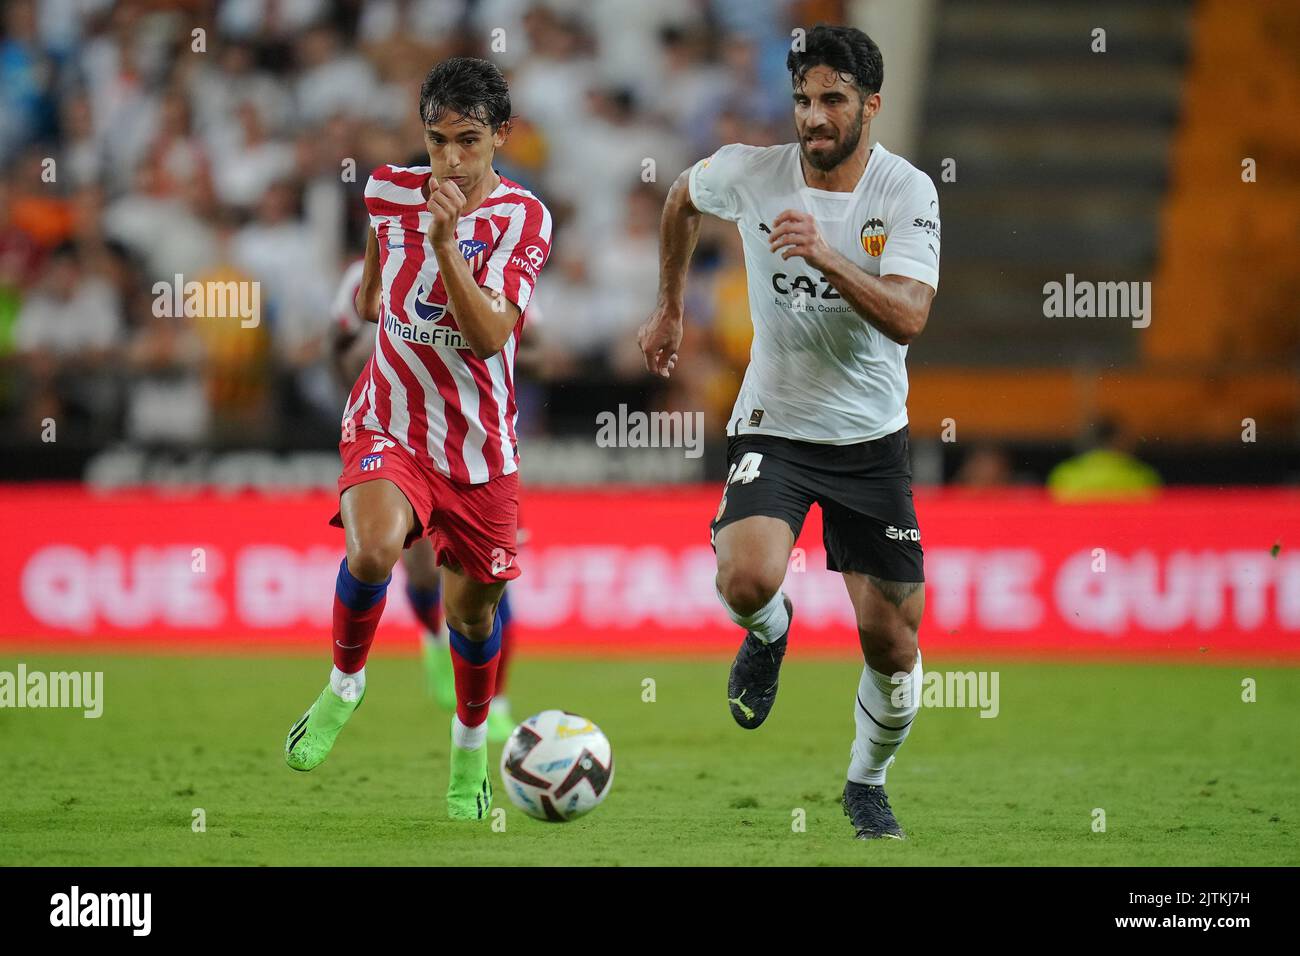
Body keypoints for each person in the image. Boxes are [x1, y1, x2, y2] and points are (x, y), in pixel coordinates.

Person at [637, 25, 940, 840]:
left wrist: (830, 258)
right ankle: (769, 634)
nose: (814, 115)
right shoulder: (750, 171)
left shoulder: (906, 192)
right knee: (745, 579)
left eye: (832, 99)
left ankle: (864, 782)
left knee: (893, 642)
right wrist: (670, 307)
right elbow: (679, 199)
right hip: (776, 421)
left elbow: (909, 317)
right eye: (804, 98)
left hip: (871, 438)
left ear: (870, 105)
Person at [284, 57, 552, 823]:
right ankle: (344, 686)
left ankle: (470, 745)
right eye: (437, 142)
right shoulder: (385, 192)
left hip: (479, 453)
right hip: (389, 424)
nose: (452, 162)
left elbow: (491, 331)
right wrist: (370, 307)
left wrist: (441, 248)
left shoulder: (523, 220)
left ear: (500, 135)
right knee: (370, 551)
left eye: (469, 141)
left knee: (472, 618)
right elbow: (370, 297)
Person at [326, 256, 521, 743]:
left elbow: (539, 354)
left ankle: (493, 701)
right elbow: (338, 355)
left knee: (486, 592)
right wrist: (370, 358)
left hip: (480, 447)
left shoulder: (498, 263)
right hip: (403, 440)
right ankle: (433, 642)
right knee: (408, 565)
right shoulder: (362, 277)